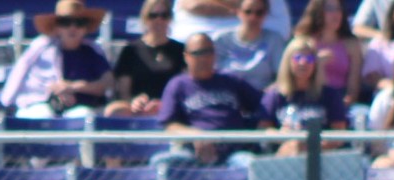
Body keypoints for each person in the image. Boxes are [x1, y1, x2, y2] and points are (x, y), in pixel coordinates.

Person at [157, 32, 267, 164]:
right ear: (186, 56)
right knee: (161, 162)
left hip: (233, 151)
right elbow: (170, 125)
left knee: (251, 163)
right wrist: (196, 135)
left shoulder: (231, 80)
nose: (204, 58)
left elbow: (264, 105)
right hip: (193, 152)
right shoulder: (177, 85)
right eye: (198, 53)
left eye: (208, 52)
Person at [0, 0, 114, 118]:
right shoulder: (40, 48)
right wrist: (55, 92)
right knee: (41, 114)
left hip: (83, 111)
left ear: (86, 27)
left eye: (79, 23)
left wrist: (73, 87)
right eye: (65, 22)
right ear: (57, 27)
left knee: (83, 115)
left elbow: (108, 83)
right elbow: (27, 82)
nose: (72, 28)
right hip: (43, 108)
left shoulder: (93, 51)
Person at [264, 38, 350, 157]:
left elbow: (339, 134)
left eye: (309, 59)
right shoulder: (275, 95)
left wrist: (309, 146)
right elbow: (263, 129)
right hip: (283, 157)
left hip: (321, 157)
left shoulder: (329, 94)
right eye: (298, 58)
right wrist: (281, 135)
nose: (303, 62)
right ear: (288, 61)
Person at [107, 1, 185, 117]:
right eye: (153, 16)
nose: (159, 20)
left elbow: (186, 87)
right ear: (145, 19)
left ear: (170, 19)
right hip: (137, 109)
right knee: (114, 110)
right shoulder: (131, 51)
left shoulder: (181, 50)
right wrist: (134, 102)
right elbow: (124, 92)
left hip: (171, 108)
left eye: (164, 15)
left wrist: (164, 104)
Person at [292, 0, 363, 104]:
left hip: (340, 99)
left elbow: (353, 86)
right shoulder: (304, 41)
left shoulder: (351, 44)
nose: (336, 14)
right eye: (330, 9)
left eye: (338, 9)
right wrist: (317, 63)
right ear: (318, 12)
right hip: (308, 98)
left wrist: (343, 104)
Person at [212, 0, 281, 90]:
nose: (253, 17)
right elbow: (211, 73)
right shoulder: (221, 39)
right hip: (227, 94)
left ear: (266, 14)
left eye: (259, 13)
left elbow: (281, 77)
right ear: (238, 12)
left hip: (262, 96)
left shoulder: (274, 40)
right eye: (248, 12)